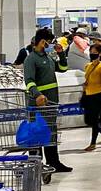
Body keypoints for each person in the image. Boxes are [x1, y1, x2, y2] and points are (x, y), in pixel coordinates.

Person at [22, 29, 72, 173]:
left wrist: (61, 53)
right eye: (48, 42)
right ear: (42, 41)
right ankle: (35, 164)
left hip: (50, 103)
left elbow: (63, 68)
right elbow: (29, 81)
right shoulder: (31, 59)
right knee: (37, 132)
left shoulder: (48, 57)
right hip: (38, 103)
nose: (50, 44)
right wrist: (37, 95)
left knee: (50, 132)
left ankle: (53, 162)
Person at [80, 46, 101, 151]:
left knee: (94, 119)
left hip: (99, 95)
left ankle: (93, 143)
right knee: (89, 120)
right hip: (88, 95)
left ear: (100, 54)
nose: (92, 54)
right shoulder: (87, 66)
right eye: (91, 52)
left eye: (95, 52)